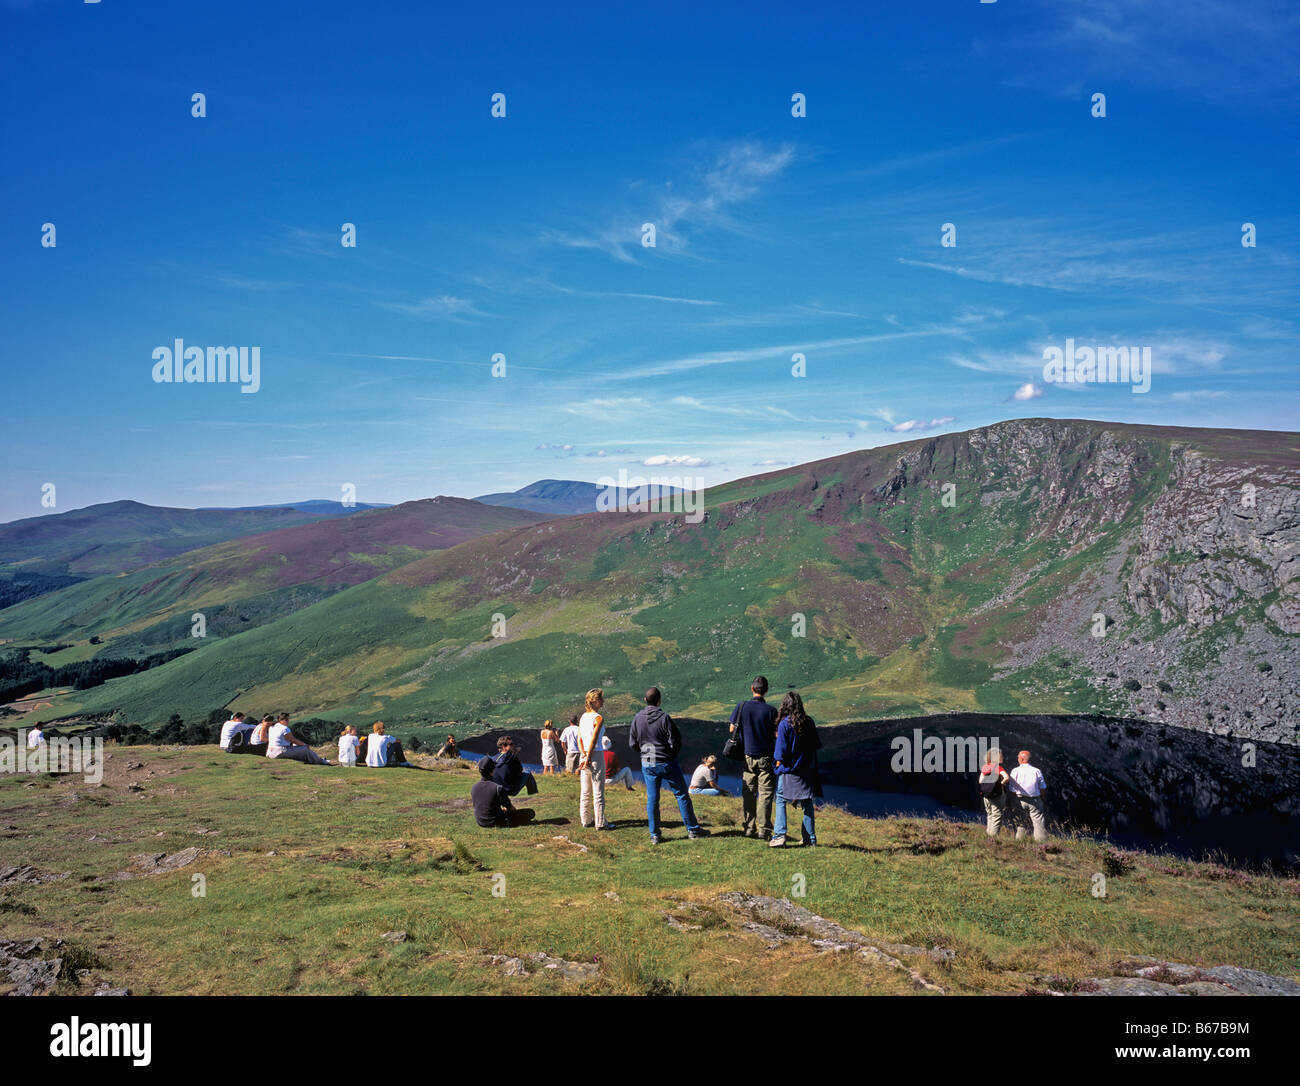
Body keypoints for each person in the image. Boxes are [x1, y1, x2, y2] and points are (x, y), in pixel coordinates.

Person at [628, 687, 709, 844]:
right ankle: (693, 830)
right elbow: (676, 741)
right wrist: (671, 754)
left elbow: (633, 743)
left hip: (648, 761)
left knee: (652, 798)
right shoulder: (664, 718)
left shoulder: (638, 718)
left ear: (645, 700)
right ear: (659, 700)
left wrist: (645, 752)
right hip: (666, 761)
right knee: (681, 795)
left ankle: (655, 835)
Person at [729, 676, 778, 840]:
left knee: (749, 793)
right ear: (766, 690)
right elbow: (776, 735)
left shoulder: (742, 706)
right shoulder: (771, 711)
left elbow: (732, 729)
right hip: (766, 758)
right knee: (765, 795)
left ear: (752, 688)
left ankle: (749, 828)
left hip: (747, 756)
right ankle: (764, 831)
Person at [770, 691, 822, 848]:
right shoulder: (809, 722)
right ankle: (809, 838)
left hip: (789, 770)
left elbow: (780, 754)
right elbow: (816, 745)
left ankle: (779, 836)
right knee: (806, 802)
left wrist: (777, 766)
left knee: (780, 798)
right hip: (806, 769)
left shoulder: (784, 724)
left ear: (785, 706)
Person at [576, 689, 610, 829]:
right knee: (598, 791)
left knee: (585, 791)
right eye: (600, 699)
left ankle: (585, 820)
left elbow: (579, 739)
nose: (602, 701)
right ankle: (600, 823)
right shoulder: (598, 718)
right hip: (595, 755)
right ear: (594, 701)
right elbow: (594, 739)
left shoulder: (583, 717)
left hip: (584, 755)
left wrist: (584, 755)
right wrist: (589, 757)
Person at [472, 756, 536, 828]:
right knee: (530, 812)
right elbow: (511, 808)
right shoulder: (497, 788)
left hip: (481, 822)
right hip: (497, 822)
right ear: (492, 771)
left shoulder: (474, 787)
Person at [1008, 749, 1048, 842]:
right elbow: (1042, 787)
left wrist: (1017, 796)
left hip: (1020, 799)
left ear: (1022, 759)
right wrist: (1041, 798)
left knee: (1021, 821)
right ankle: (1041, 843)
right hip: (1034, 799)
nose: (1017, 758)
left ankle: (1020, 841)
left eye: (1018, 757)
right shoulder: (1036, 771)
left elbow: (1012, 789)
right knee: (1038, 820)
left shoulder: (1015, 771)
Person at [266, 714, 331, 765]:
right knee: (304, 749)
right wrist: (304, 744)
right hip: (279, 752)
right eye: (286, 719)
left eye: (288, 719)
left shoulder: (272, 727)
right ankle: (321, 761)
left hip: (270, 753)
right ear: (282, 720)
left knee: (297, 746)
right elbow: (292, 740)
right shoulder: (284, 728)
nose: (288, 721)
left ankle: (318, 759)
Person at [978, 748, 1011, 837]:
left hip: (986, 795)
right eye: (1001, 755)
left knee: (989, 814)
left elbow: (980, 781)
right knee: (997, 816)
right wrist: (1001, 784)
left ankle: (988, 835)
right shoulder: (998, 768)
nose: (1002, 757)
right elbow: (1006, 777)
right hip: (997, 796)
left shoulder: (985, 767)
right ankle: (993, 838)